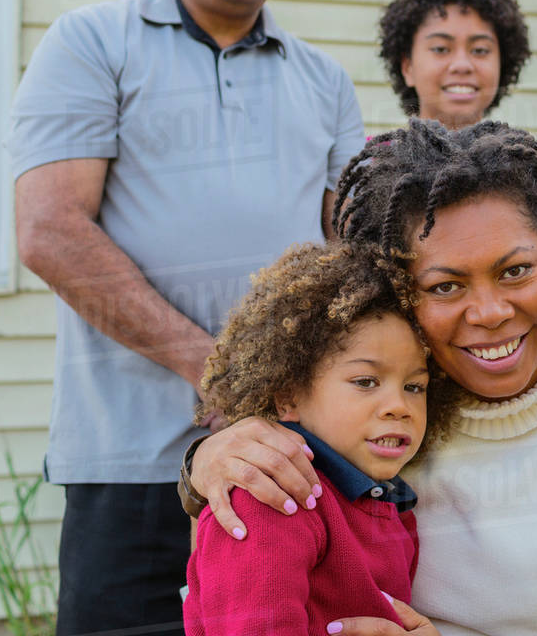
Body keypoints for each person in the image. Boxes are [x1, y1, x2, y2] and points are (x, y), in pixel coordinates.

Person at [179, 119, 537, 635]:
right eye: (445, 286)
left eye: (516, 271)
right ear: (394, 292)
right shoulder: (362, 418)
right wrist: (204, 464)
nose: (489, 312)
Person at [6, 0, 364, 633]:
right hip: (131, 469)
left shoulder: (326, 82)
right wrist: (217, 373)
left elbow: (349, 257)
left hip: (287, 462)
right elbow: (49, 229)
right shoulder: (91, 42)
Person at [183, 241, 459, 635]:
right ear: (288, 397)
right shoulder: (269, 496)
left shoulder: (392, 506)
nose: (399, 406)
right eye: (366, 382)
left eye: (414, 387)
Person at [378, 0, 530, 130]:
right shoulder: (374, 148)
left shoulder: (526, 147)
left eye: (480, 50)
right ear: (408, 68)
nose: (462, 65)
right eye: (441, 49)